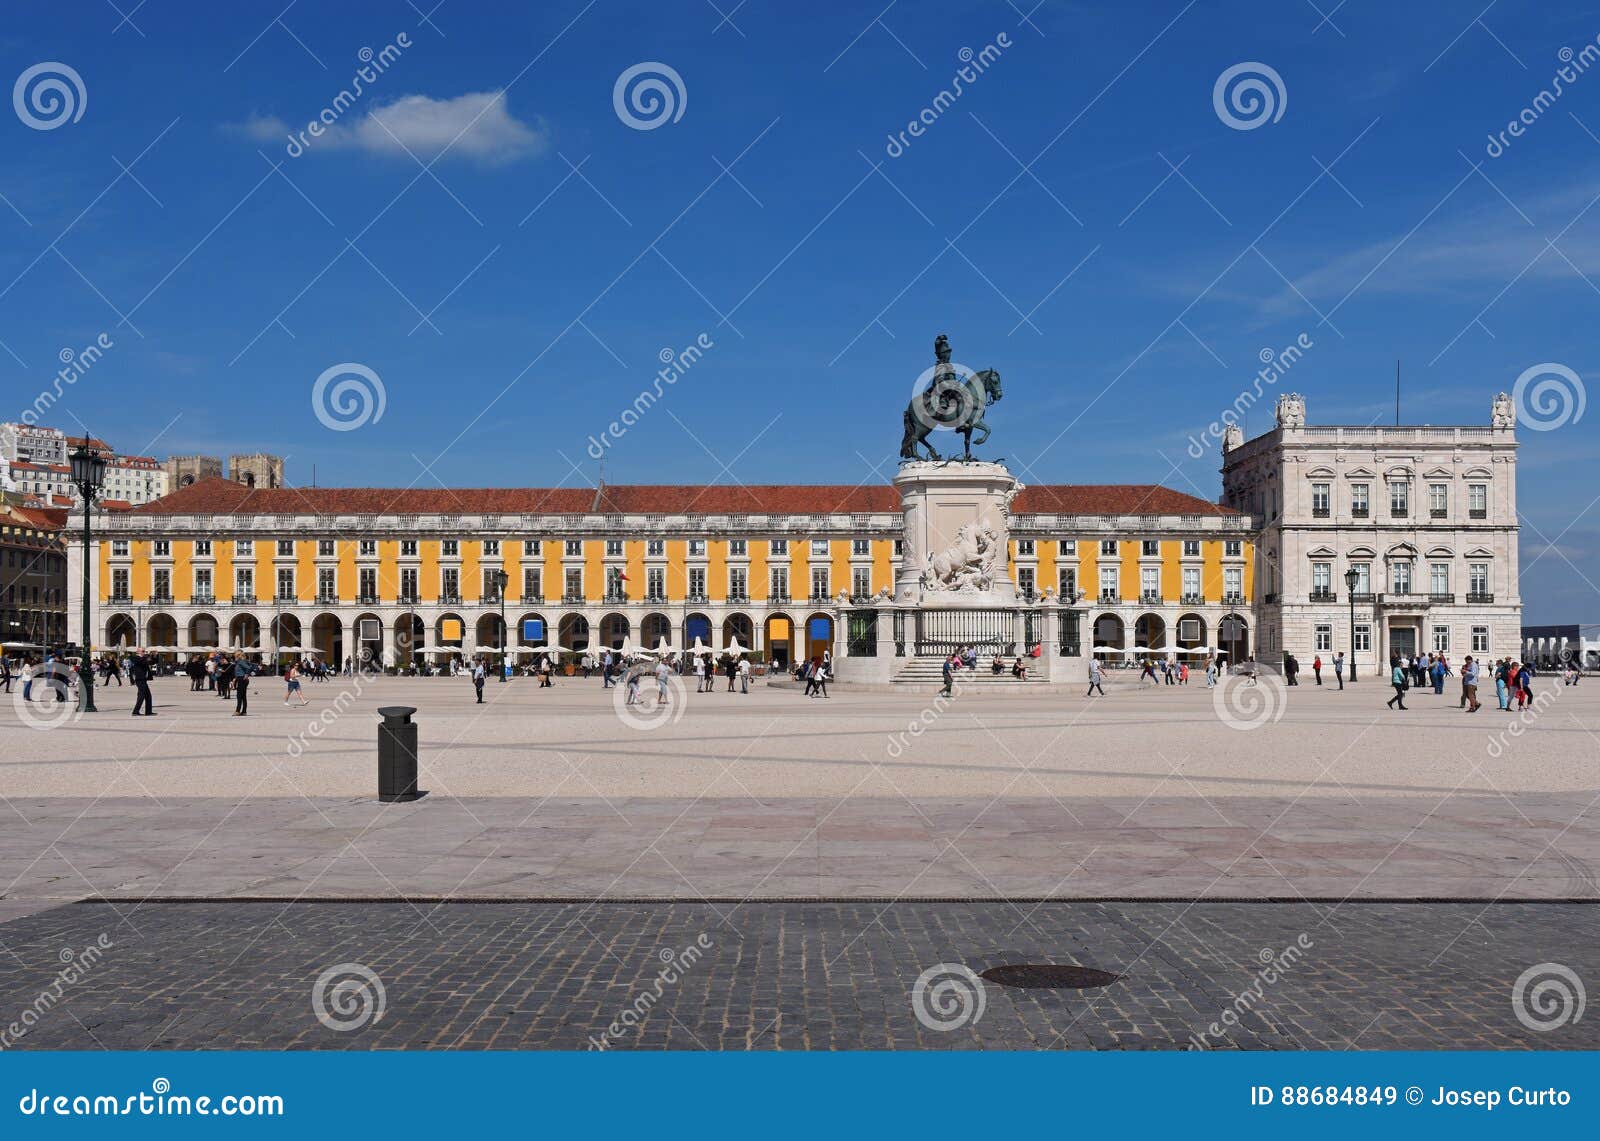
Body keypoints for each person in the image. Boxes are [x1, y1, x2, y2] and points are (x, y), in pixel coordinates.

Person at [129, 648, 154, 716]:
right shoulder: (135, 658)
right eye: (143, 651)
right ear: (138, 652)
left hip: (144, 679)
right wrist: (145, 656)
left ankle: (148, 711)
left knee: (148, 696)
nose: (144, 652)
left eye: (144, 651)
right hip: (139, 679)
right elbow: (139, 661)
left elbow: (151, 662)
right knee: (141, 696)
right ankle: (135, 711)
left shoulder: (143, 658)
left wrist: (153, 656)